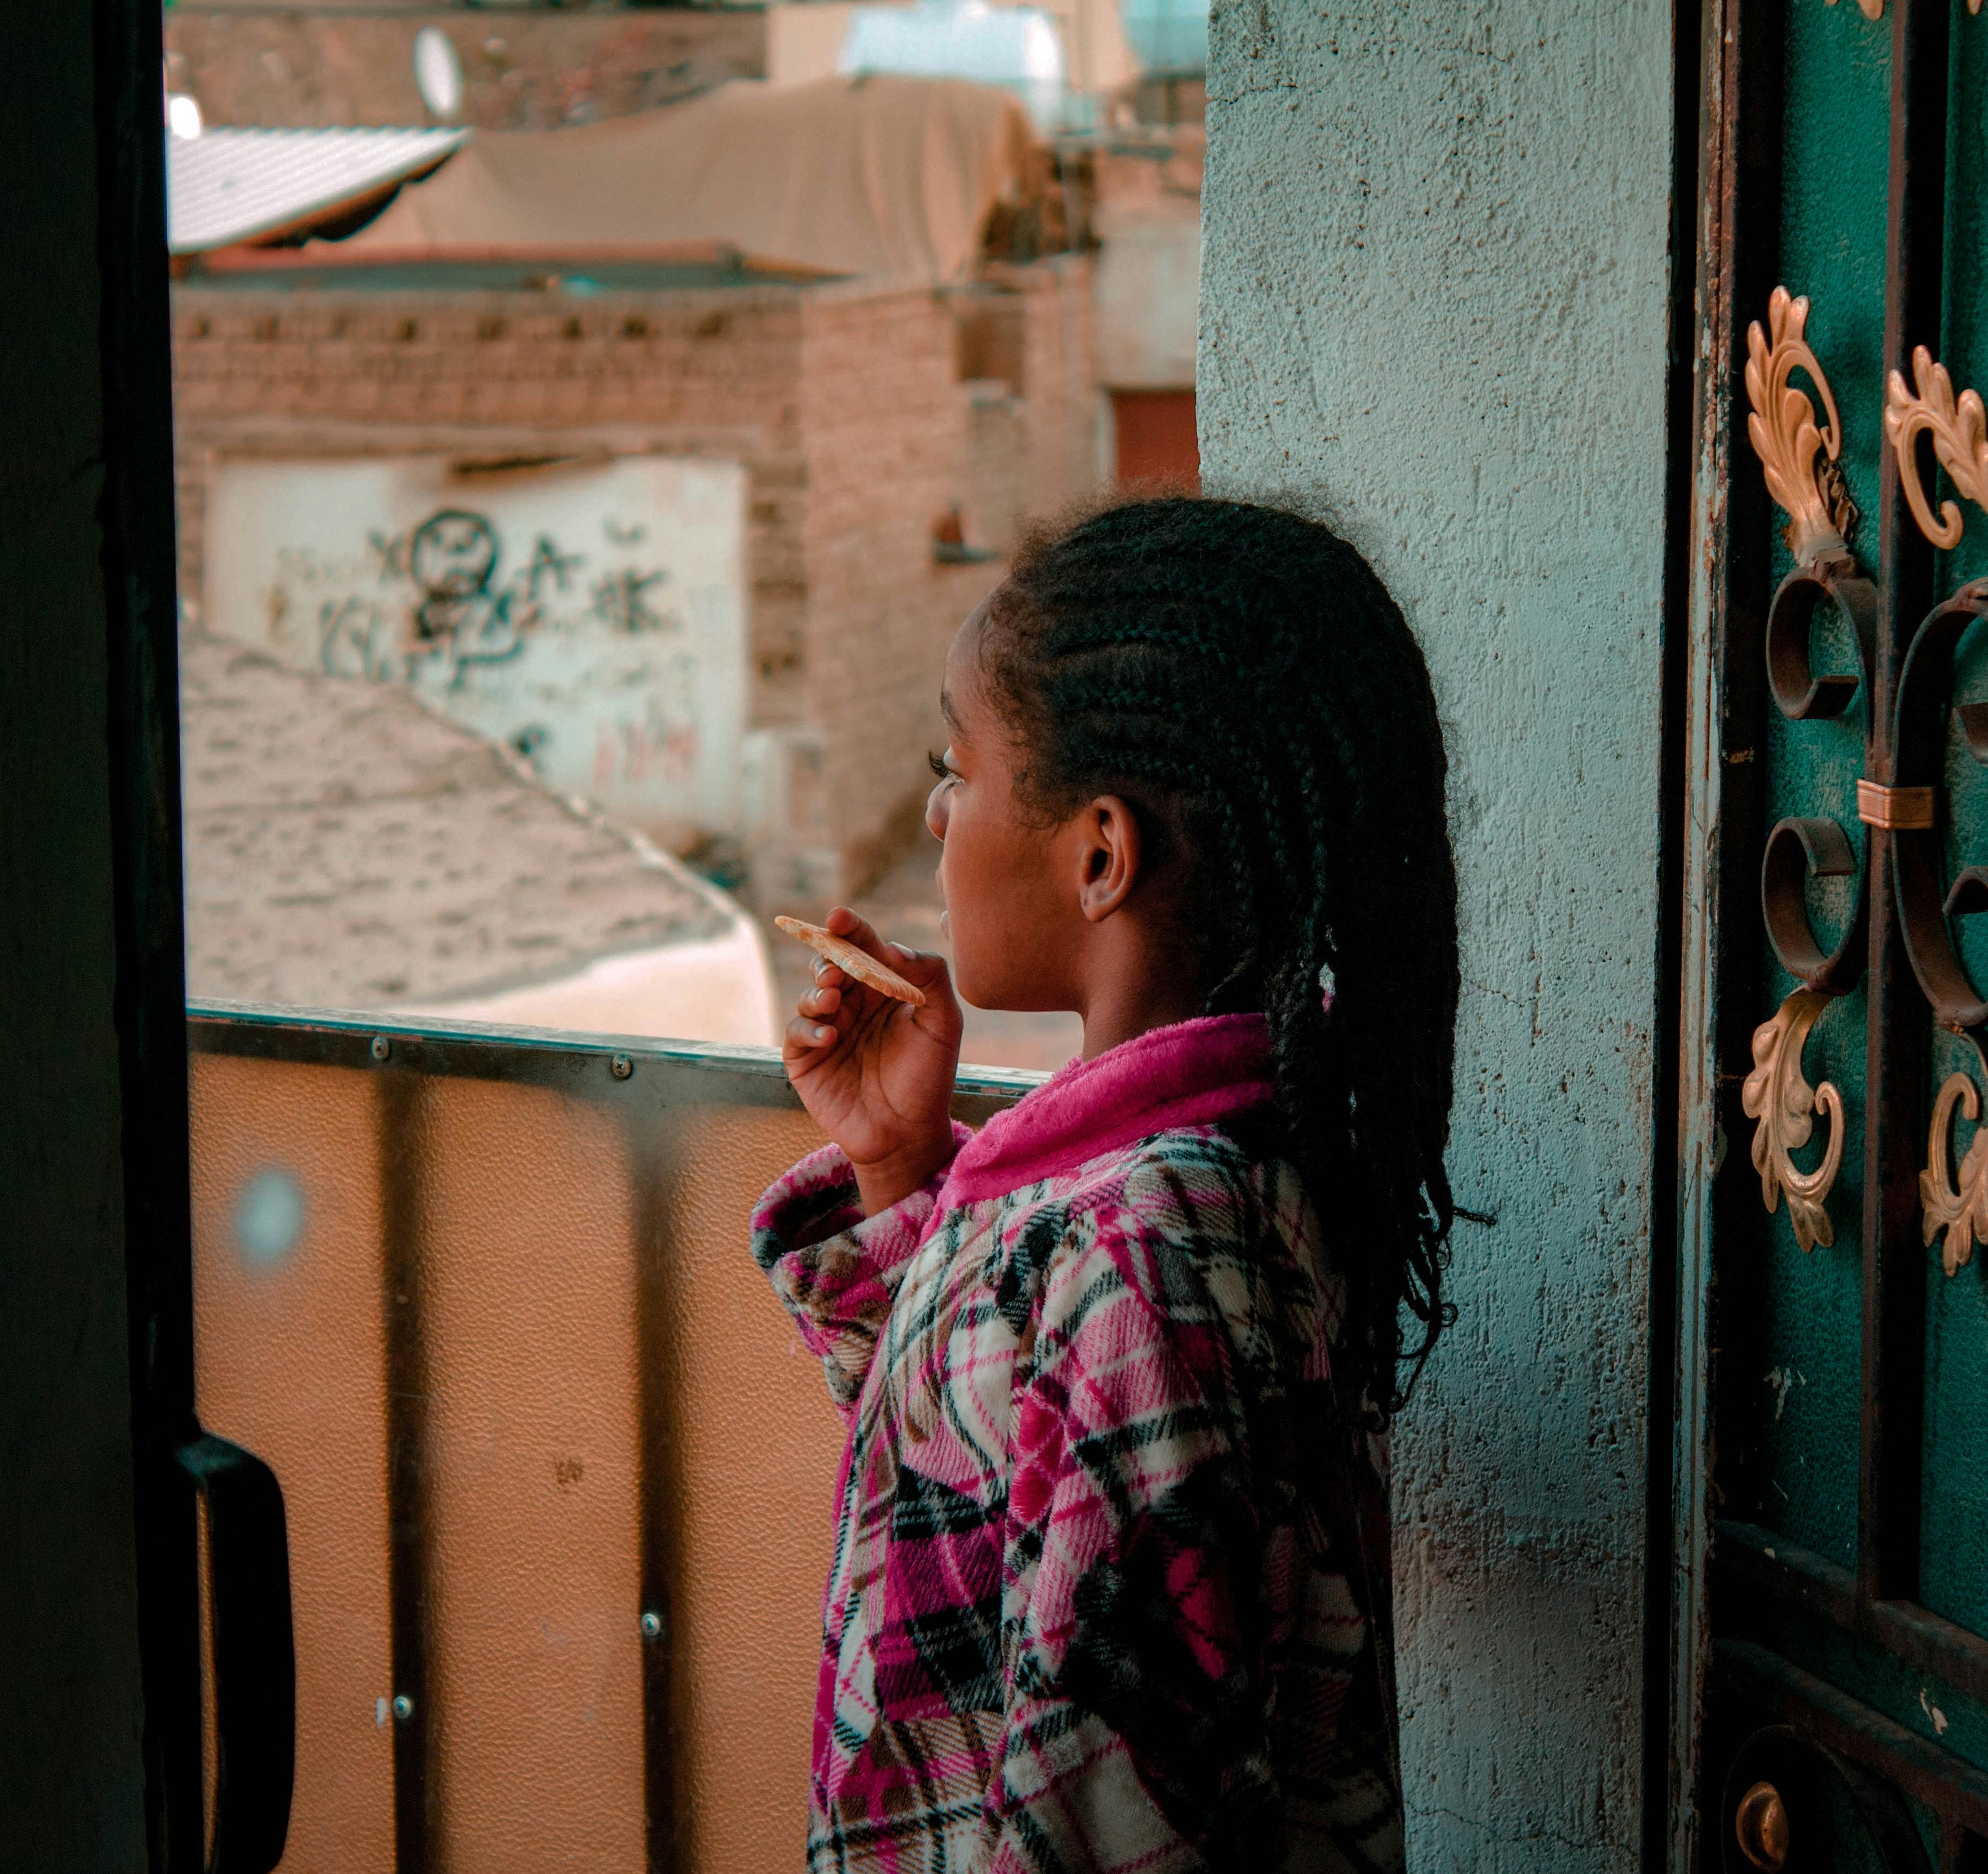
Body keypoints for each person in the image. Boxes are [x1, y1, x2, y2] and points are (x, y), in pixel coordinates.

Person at [750, 496, 1458, 1874]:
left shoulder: (1139, 1251)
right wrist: (903, 1161)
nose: (938, 815)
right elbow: (999, 1469)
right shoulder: (1175, 1186)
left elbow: (1114, 1819)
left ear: (1098, 855)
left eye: (958, 767)